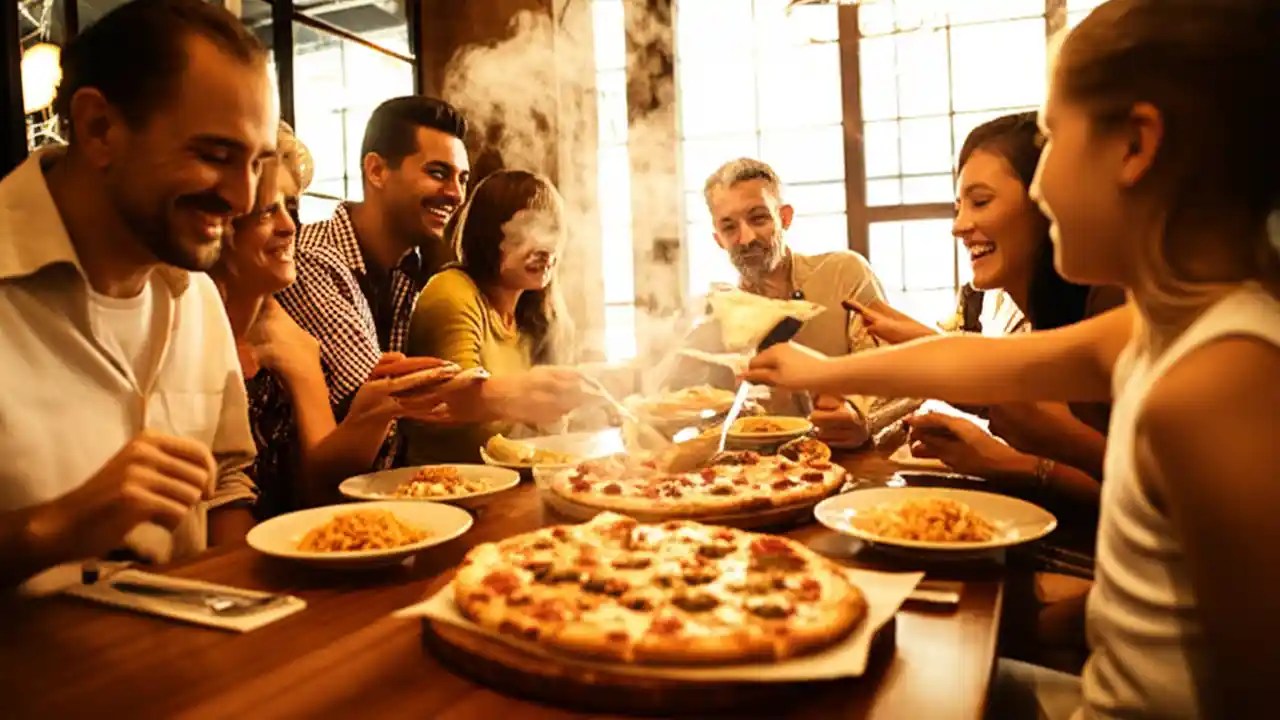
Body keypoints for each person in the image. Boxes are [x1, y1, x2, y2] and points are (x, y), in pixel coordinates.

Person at [745, 1, 1280, 716]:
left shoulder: (1221, 381)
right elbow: (981, 362)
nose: (1041, 182)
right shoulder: (1165, 325)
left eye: (1051, 139)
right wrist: (818, 371)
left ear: (1135, 145)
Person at [0, 0, 277, 587]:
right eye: (215, 156)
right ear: (100, 128)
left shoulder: (197, 297)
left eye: (257, 163)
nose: (244, 198)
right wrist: (53, 528)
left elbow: (226, 486)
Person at [276, 97, 582, 467]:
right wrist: (514, 394)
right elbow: (393, 402)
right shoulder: (315, 260)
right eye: (438, 173)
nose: (456, 194)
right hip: (318, 492)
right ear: (376, 171)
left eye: (462, 179)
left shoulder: (406, 268)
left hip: (382, 486)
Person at [210, 124, 473, 517]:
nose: (289, 227)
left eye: (291, 208)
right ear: (218, 225)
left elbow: (320, 485)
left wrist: (374, 413)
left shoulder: (291, 337)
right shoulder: (186, 328)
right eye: (267, 211)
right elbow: (219, 494)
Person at [860, 113, 1120, 507]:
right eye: (958, 206)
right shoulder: (1043, 311)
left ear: (1046, 199)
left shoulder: (1111, 303)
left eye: (980, 202)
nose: (959, 226)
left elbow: (1157, 494)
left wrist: (1008, 464)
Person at [666, 157, 892, 448]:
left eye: (758, 218)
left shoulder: (843, 274)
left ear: (784, 217)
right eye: (729, 227)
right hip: (757, 469)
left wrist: (864, 418)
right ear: (718, 239)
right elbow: (677, 405)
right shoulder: (717, 317)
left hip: (851, 459)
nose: (746, 238)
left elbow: (897, 373)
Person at [404, 170, 583, 464]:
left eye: (553, 231)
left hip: (517, 480)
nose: (546, 249)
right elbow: (457, 409)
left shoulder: (539, 314)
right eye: (529, 229)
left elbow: (549, 430)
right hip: (448, 482)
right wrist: (530, 397)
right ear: (489, 235)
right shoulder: (452, 292)